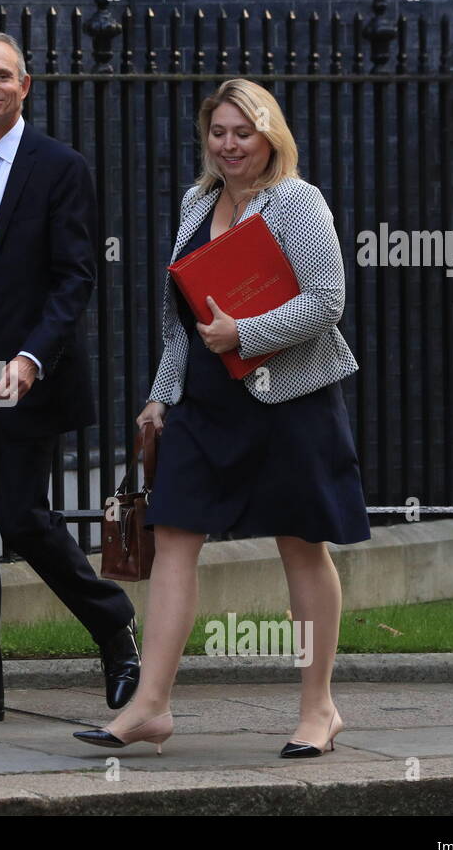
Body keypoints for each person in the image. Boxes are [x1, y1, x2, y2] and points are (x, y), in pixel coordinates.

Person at [74, 78, 370, 757]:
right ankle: (150, 706)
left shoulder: (297, 202)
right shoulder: (196, 202)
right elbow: (182, 318)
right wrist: (160, 394)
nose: (230, 145)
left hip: (288, 399)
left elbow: (328, 301)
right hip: (205, 399)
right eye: (219, 132)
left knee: (301, 543)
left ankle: (319, 709)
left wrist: (248, 333)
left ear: (271, 136)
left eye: (244, 131)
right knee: (173, 535)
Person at [0, 30, 141, 724]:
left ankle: (114, 628)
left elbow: (75, 279)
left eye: (3, 76)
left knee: (21, 516)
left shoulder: (60, 167)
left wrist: (28, 358)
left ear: (25, 87)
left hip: (28, 373)